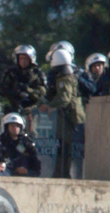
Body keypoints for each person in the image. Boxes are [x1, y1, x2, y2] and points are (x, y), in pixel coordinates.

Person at [48, 48, 85, 179]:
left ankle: (64, 174)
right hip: (69, 118)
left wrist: (50, 106)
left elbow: (65, 99)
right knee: (64, 147)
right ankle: (61, 173)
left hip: (70, 119)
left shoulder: (65, 79)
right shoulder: (68, 77)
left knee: (67, 148)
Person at [0, 45, 46, 116]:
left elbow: (42, 92)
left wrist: (28, 90)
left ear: (31, 59)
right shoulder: (11, 72)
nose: (23, 61)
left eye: (25, 59)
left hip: (33, 109)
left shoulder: (37, 73)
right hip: (14, 107)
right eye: (21, 58)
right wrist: (16, 92)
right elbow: (2, 90)